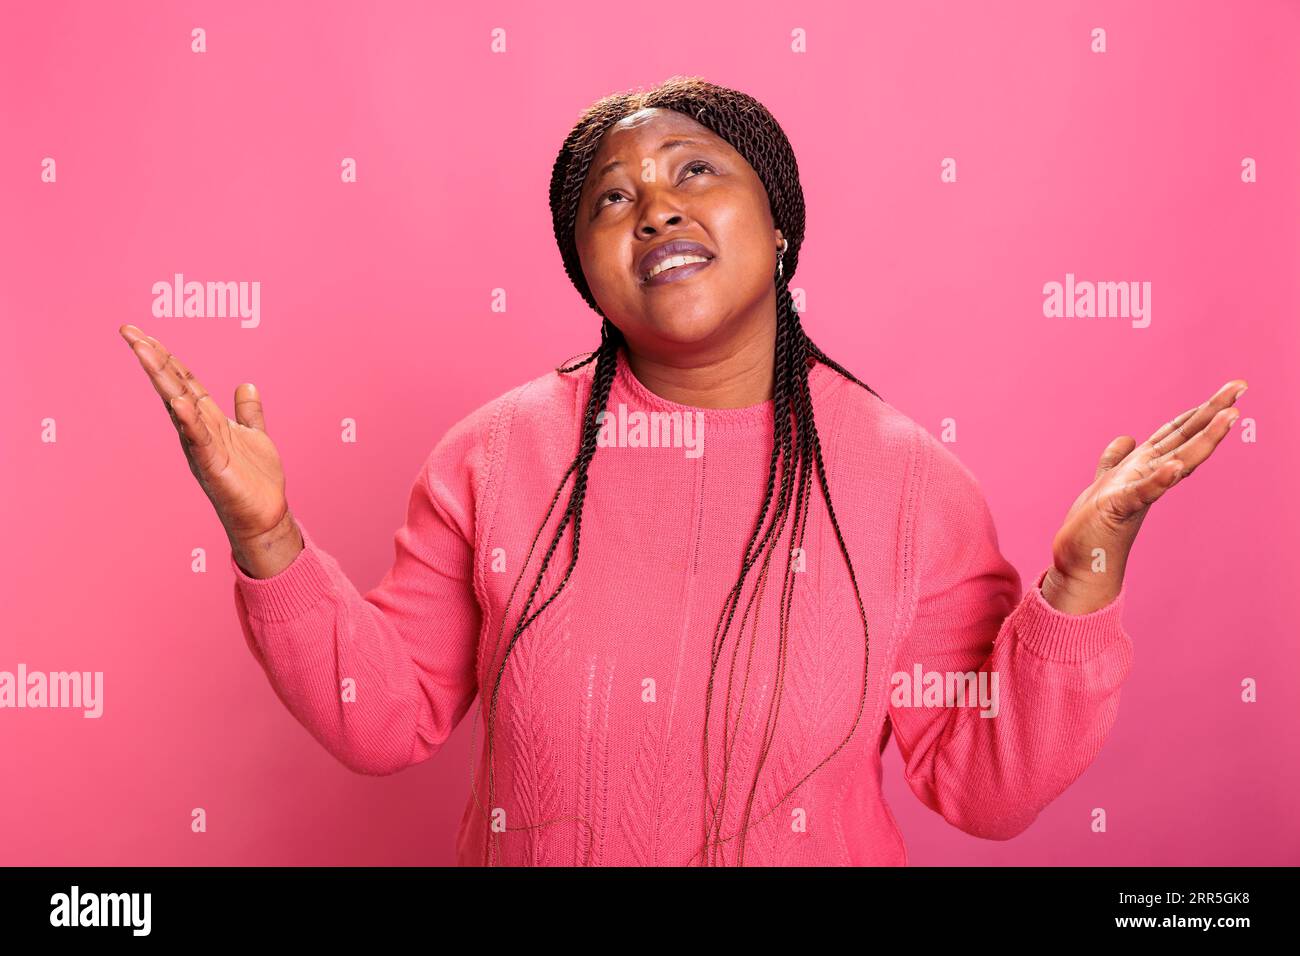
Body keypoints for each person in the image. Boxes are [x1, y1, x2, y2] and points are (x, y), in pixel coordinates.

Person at [119, 76, 1246, 867]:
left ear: (781, 228)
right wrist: (269, 537)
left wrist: (1086, 568)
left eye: (693, 171)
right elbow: (387, 720)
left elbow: (985, 786)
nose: (651, 203)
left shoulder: (912, 485)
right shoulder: (491, 455)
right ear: (589, 274)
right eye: (608, 197)